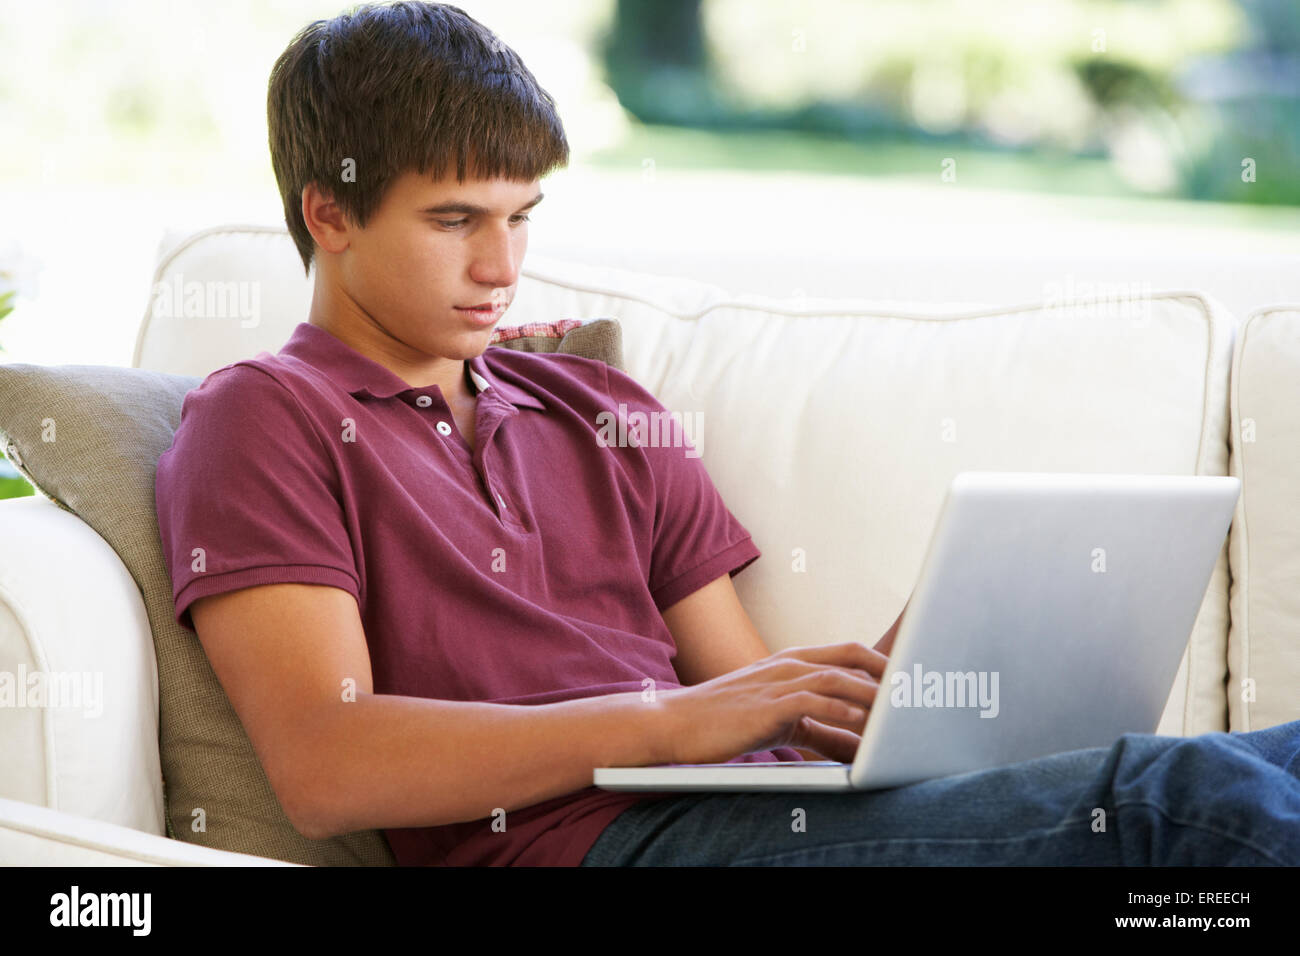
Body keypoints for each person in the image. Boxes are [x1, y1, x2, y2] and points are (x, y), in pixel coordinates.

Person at [154, 1, 1300, 867]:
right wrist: (672, 722)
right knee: (1182, 808)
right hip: (601, 846)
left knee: (1270, 761)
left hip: (764, 810)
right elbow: (325, 760)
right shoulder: (265, 416)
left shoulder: (603, 415)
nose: (501, 267)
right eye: (454, 221)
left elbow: (748, 697)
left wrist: (898, 684)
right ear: (330, 211)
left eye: (518, 218)